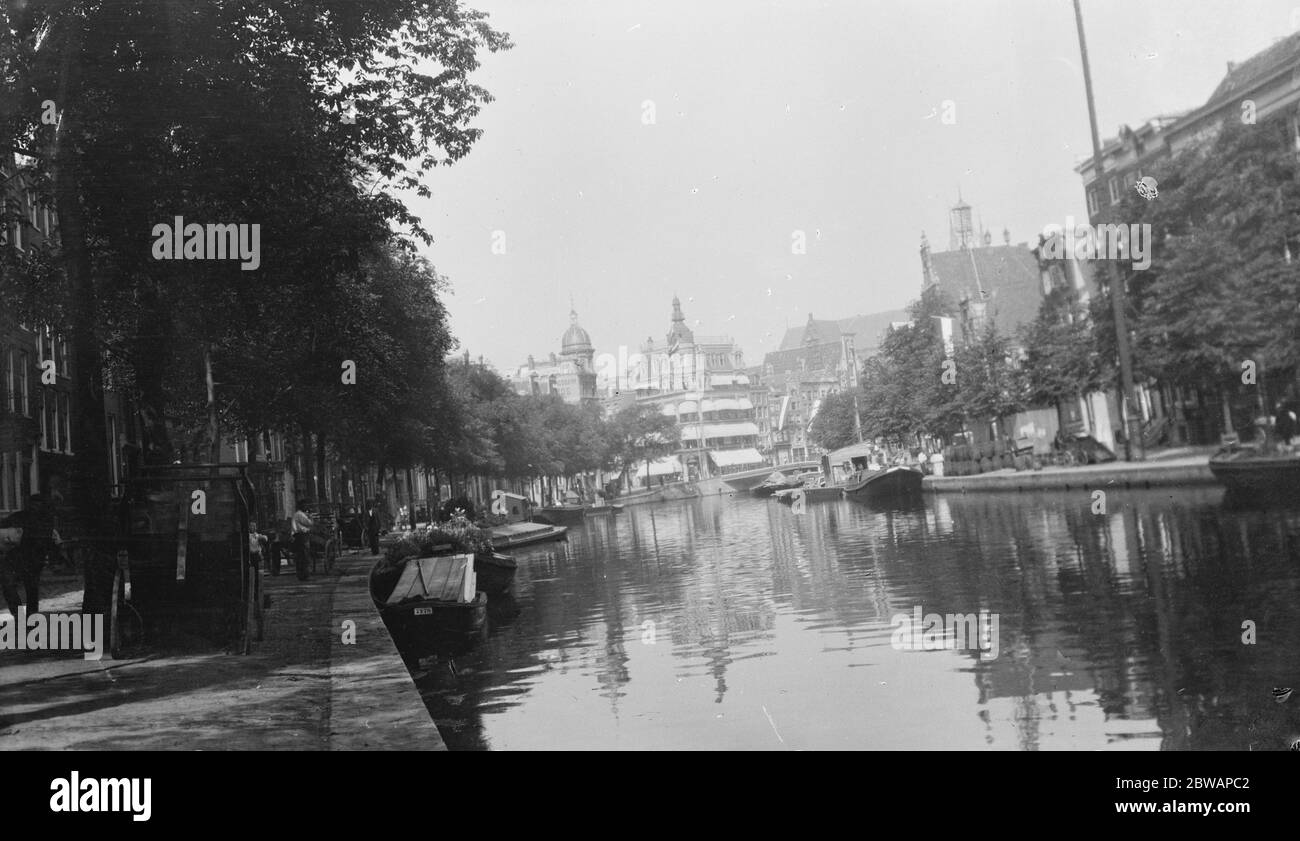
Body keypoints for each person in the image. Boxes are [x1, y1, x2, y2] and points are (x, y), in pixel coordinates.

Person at [0, 494, 54, 613]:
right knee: (10, 587)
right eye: (33, 504)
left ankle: (30, 618)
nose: (35, 507)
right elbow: (3, 525)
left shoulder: (46, 520)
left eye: (38, 504)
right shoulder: (19, 516)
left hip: (33, 559)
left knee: (31, 591)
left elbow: (47, 540)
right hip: (16, 558)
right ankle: (20, 616)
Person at [291, 500, 314, 581]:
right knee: (304, 555)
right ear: (301, 506)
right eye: (305, 505)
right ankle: (305, 575)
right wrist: (310, 516)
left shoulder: (297, 514)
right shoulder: (300, 514)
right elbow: (309, 523)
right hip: (302, 536)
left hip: (297, 536)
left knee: (300, 556)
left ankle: (301, 575)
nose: (306, 507)